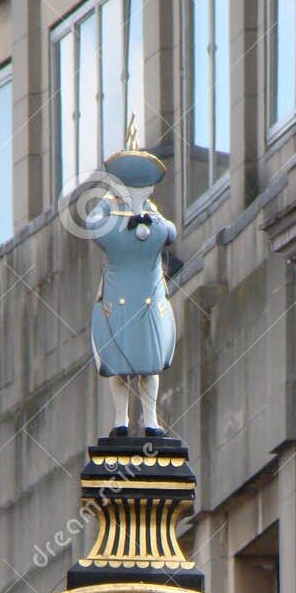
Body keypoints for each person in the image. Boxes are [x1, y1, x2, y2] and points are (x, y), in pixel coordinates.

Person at [88, 143, 178, 436]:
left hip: (143, 298)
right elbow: (92, 225)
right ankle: (125, 421)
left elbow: (170, 231)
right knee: (122, 363)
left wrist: (144, 218)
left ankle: (146, 420)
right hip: (122, 298)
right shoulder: (113, 210)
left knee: (145, 362)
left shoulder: (148, 214)